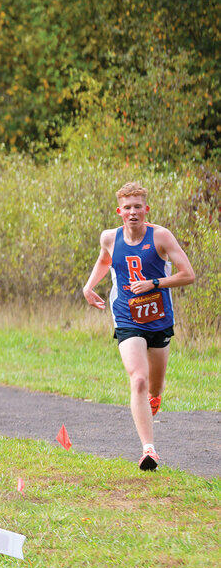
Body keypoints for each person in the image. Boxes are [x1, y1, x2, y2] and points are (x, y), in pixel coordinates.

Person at [82, 182, 195, 471]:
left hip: (159, 318)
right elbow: (104, 260)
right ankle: (149, 451)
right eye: (127, 207)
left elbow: (188, 275)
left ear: (146, 209)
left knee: (154, 388)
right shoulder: (109, 237)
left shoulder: (161, 237)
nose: (133, 212)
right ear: (119, 211)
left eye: (137, 207)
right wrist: (88, 287)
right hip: (126, 316)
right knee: (139, 379)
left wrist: (154, 283)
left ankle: (153, 400)